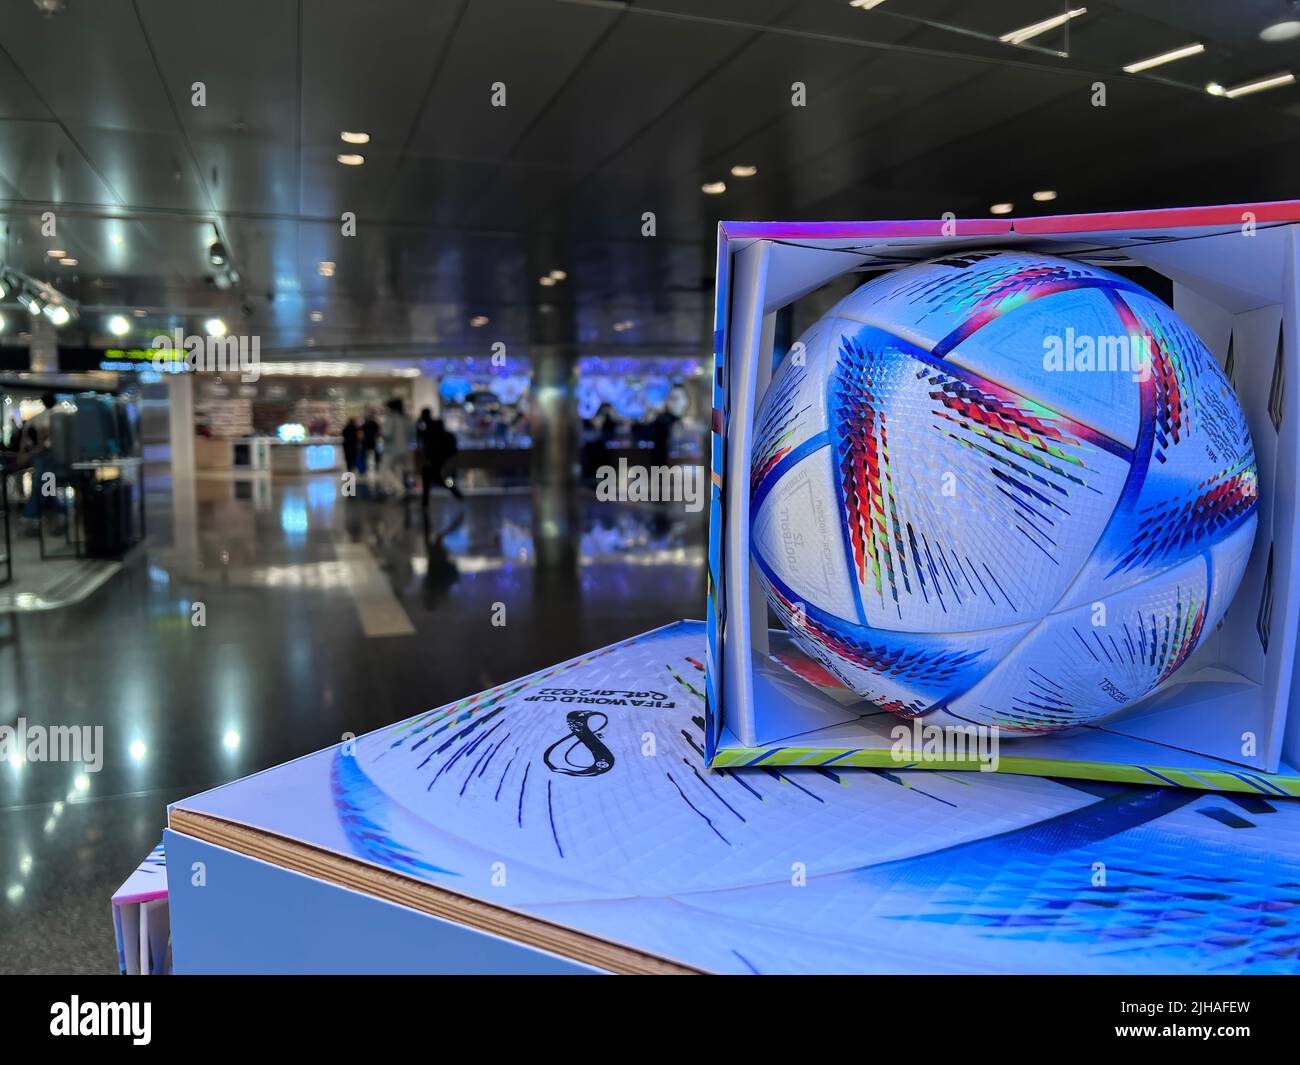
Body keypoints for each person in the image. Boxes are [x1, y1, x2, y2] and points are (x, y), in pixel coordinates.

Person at [419, 413, 463, 505]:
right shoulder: (448, 436)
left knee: (444, 480)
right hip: (443, 466)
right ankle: (453, 490)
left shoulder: (432, 438)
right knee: (445, 481)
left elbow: (428, 453)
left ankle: (425, 501)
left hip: (442, 467)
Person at [380, 397, 412, 498]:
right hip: (405, 448)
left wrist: (380, 433)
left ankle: (399, 488)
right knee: (398, 469)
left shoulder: (391, 418)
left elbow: (386, 433)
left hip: (392, 449)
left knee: (385, 469)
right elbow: (412, 433)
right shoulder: (406, 418)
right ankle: (396, 489)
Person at [361, 408, 381, 478]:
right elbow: (378, 431)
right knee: (375, 453)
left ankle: (365, 466)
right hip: (373, 439)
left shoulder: (365, 423)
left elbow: (361, 431)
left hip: (366, 440)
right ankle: (377, 465)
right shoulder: (374, 423)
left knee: (366, 454)